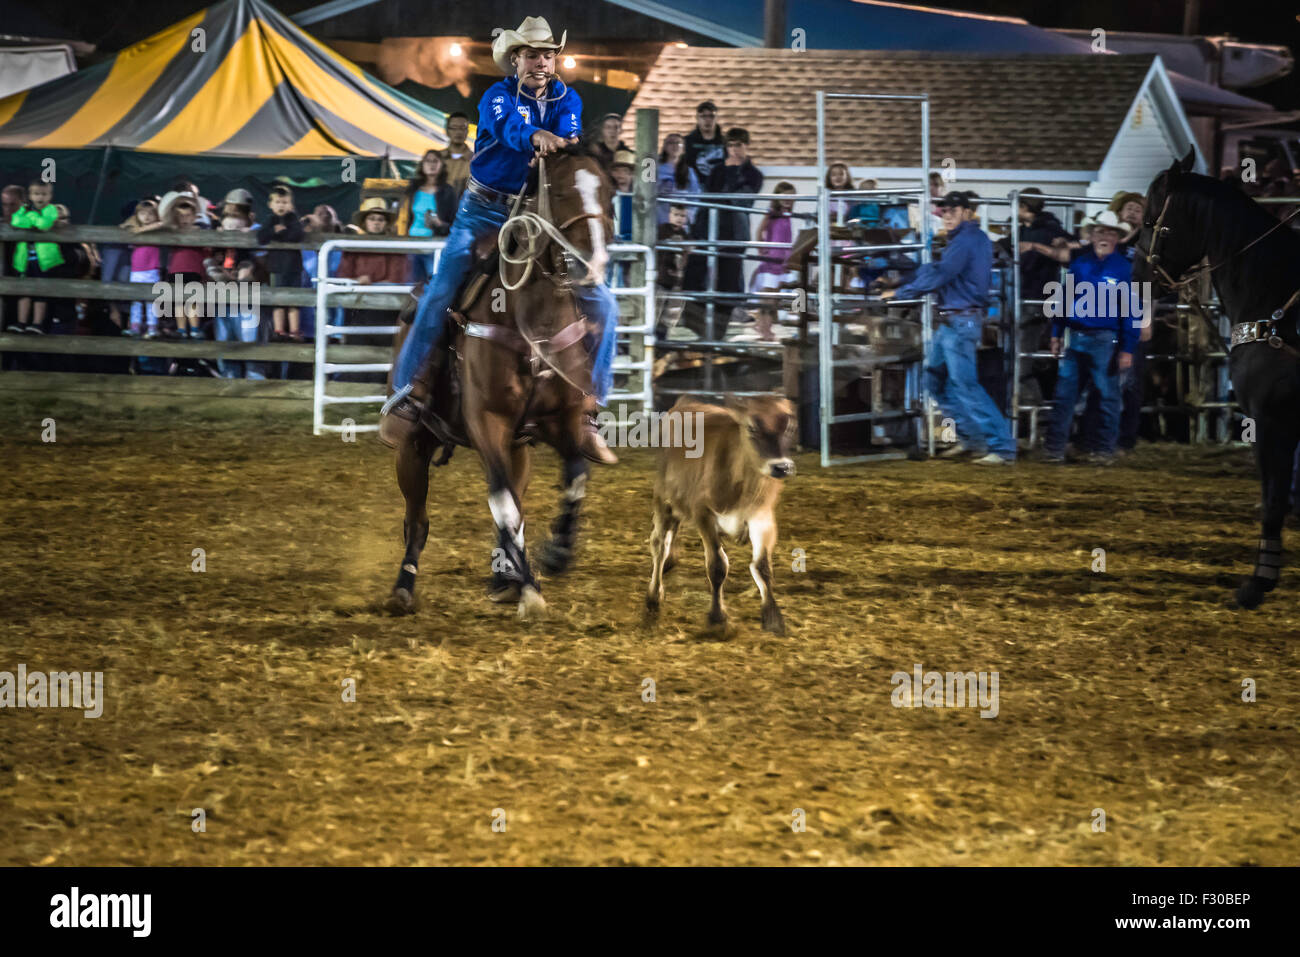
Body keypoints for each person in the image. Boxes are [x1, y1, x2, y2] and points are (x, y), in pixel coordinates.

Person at [379, 15, 619, 464]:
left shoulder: (570, 99)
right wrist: (537, 137)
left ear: (555, 59)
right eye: (532, 55)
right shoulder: (496, 96)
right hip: (481, 212)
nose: (541, 62)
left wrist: (561, 143)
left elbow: (569, 134)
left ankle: (590, 408)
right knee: (441, 290)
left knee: (605, 303)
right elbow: (510, 128)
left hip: (534, 212)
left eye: (548, 54)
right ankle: (405, 392)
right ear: (516, 59)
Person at [881, 190, 1015, 465]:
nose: (947, 215)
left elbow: (942, 273)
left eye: (953, 211)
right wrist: (901, 283)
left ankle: (1000, 446)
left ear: (967, 212)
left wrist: (901, 293)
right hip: (954, 319)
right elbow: (937, 270)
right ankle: (975, 440)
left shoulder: (965, 240)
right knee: (938, 380)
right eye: (945, 211)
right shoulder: (967, 240)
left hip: (958, 319)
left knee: (963, 384)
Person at [1038, 209, 1143, 464]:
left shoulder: (1125, 269)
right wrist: (1057, 332)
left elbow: (1131, 312)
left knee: (1107, 397)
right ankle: (1056, 449)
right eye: (1100, 231)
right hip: (1078, 336)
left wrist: (1128, 348)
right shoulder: (1081, 264)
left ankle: (1103, 450)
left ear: (1117, 237)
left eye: (1110, 232)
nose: (1104, 236)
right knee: (1067, 395)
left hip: (1105, 339)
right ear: (1092, 235)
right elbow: (1064, 299)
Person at [679, 126, 763, 338]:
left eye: (739, 145)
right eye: (731, 145)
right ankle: (693, 323)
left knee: (729, 281)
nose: (734, 149)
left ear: (746, 146)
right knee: (694, 273)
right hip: (708, 228)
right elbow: (706, 199)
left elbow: (742, 200)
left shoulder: (753, 174)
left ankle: (719, 331)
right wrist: (696, 230)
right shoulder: (716, 170)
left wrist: (731, 180)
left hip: (733, 231)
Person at [7, 180, 64, 334]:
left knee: (40, 292)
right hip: (24, 260)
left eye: (44, 194)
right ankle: (21, 322)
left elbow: (44, 224)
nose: (40, 198)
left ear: (50, 196)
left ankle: (37, 323)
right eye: (37, 194)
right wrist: (31, 218)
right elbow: (16, 220)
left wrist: (31, 218)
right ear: (30, 196)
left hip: (43, 260)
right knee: (24, 291)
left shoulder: (51, 209)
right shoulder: (24, 209)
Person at [397, 149, 458, 283]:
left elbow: (456, 223)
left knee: (435, 284)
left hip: (435, 246)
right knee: (411, 284)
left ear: (442, 165)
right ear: (422, 165)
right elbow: (402, 216)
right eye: (428, 161)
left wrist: (439, 224)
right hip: (411, 244)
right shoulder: (412, 189)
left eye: (435, 161)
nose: (431, 164)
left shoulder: (448, 192)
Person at [749, 181, 797, 341]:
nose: (788, 200)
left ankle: (764, 326)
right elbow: (760, 230)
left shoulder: (788, 215)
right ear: (777, 197)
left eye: (791, 196)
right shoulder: (771, 213)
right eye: (784, 196)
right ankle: (764, 330)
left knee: (775, 299)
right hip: (771, 261)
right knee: (767, 299)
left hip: (782, 261)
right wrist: (761, 248)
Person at [257, 185, 305, 341]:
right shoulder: (269, 220)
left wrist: (280, 232)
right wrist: (273, 231)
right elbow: (261, 237)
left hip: (294, 266)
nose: (281, 206)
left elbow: (297, 235)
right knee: (277, 299)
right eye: (277, 202)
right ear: (270, 204)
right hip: (276, 267)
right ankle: (279, 330)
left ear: (290, 204)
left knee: (294, 299)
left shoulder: (294, 219)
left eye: (285, 202)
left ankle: (294, 330)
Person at [121, 198, 164, 337]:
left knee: (151, 300)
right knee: (136, 301)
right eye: (143, 213)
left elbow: (161, 224)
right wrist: (136, 228)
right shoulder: (132, 227)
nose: (146, 217)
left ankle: (152, 327)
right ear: (137, 215)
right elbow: (124, 226)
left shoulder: (155, 231)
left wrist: (140, 230)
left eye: (151, 214)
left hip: (152, 269)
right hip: (136, 271)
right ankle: (135, 327)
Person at [657, 132, 701, 225]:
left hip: (679, 218)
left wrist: (689, 215)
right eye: (671, 143)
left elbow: (695, 195)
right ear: (664, 147)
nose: (675, 146)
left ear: (684, 149)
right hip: (659, 215)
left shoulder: (689, 171)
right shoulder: (654, 168)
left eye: (679, 143)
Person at [683, 100, 725, 184]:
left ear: (717, 118)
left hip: (719, 188)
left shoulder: (725, 142)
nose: (707, 120)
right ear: (697, 118)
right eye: (703, 116)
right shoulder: (687, 142)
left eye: (711, 116)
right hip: (694, 187)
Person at [440, 112, 473, 196]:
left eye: (463, 128)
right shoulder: (435, 158)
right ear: (447, 131)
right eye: (454, 128)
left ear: (467, 131)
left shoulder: (476, 161)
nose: (458, 132)